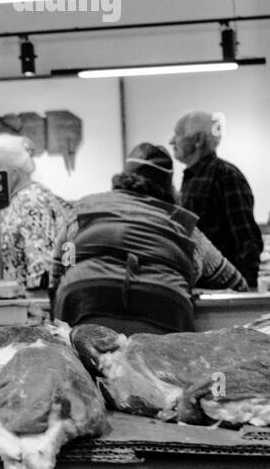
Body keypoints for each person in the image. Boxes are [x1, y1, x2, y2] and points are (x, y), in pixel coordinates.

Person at [52, 144, 246, 336]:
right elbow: (235, 283)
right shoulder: (183, 226)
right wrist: (187, 278)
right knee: (159, 367)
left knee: (78, 365)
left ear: (122, 177)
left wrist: (74, 270)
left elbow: (62, 262)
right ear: (169, 187)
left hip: (80, 300)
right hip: (163, 305)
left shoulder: (83, 209)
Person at [170, 110, 263, 287]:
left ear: (198, 140)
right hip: (203, 284)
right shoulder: (192, 177)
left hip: (225, 287)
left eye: (178, 133)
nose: (172, 141)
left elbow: (246, 237)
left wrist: (247, 289)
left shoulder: (226, 175)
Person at [0, 134, 73, 290]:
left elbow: (42, 270)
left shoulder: (31, 203)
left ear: (14, 172)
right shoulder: (17, 201)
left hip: (26, 308)